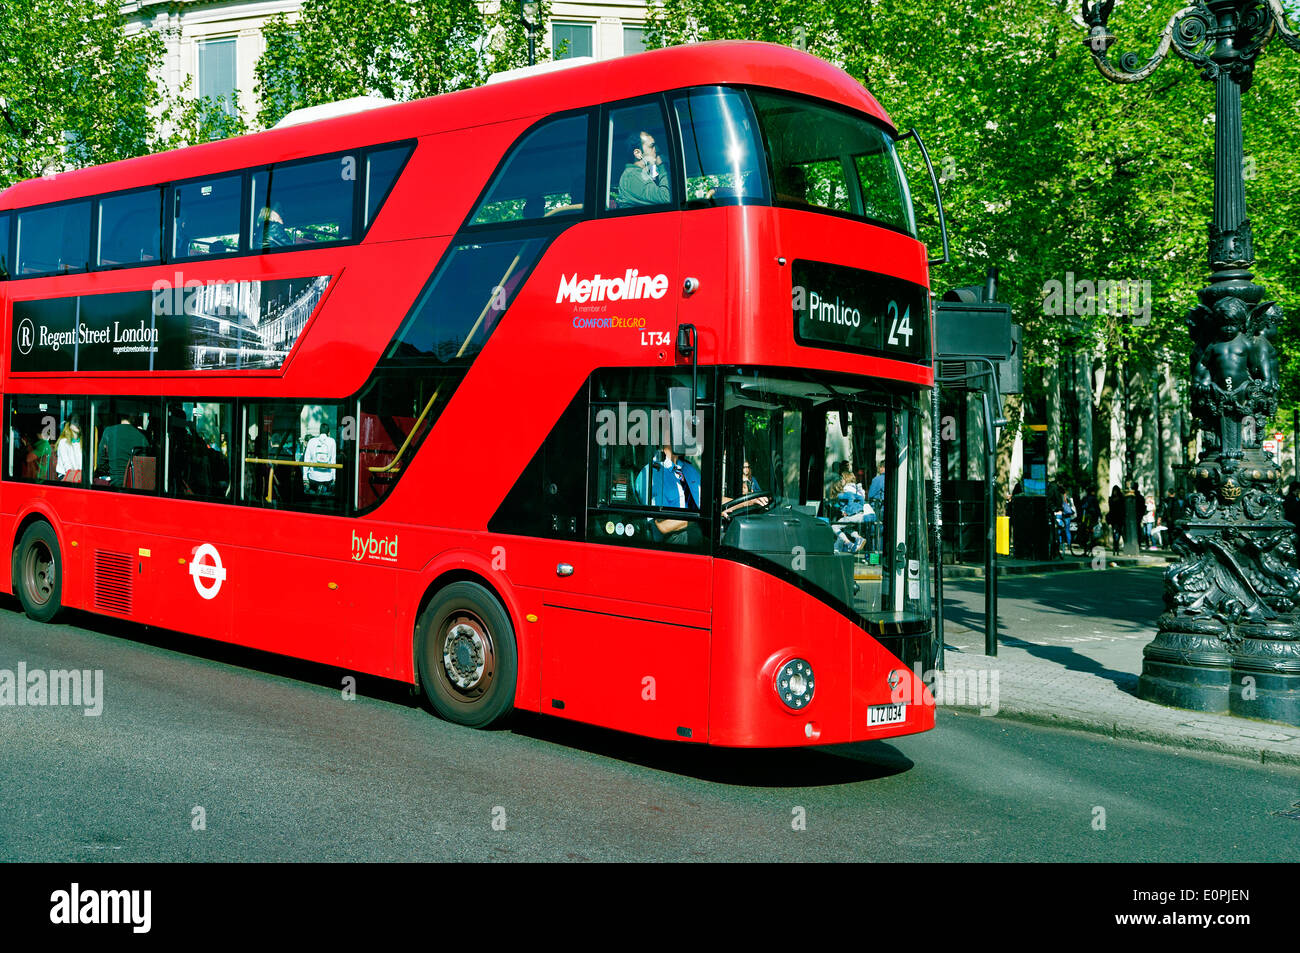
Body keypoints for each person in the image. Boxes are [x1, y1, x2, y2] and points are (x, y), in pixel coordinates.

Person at [635, 442, 701, 543]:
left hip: (697, 528)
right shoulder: (650, 474)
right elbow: (663, 526)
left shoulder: (689, 470)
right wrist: (700, 518)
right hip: (672, 541)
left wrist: (732, 505)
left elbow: (708, 499)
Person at [617, 131, 671, 207]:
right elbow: (666, 197)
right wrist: (662, 166)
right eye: (651, 146)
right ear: (638, 153)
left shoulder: (640, 173)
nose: (656, 150)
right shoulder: (633, 176)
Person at [99, 415, 149, 487]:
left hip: (114, 485)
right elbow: (144, 467)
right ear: (132, 416)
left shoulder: (108, 432)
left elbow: (101, 464)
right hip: (135, 487)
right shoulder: (142, 436)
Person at [303, 423, 337, 496]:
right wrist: (334, 478)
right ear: (329, 433)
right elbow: (333, 461)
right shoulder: (332, 442)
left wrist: (305, 478)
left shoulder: (311, 441)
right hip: (328, 478)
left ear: (319, 432)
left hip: (313, 477)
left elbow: (306, 460)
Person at [54, 418, 83, 483]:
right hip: (67, 476)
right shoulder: (63, 442)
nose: (77, 424)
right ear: (69, 424)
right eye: (75, 421)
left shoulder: (82, 442)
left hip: (79, 476)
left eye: (79, 421)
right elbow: (66, 464)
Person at [1107, 485, 1126, 554]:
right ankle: (1116, 546)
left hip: (1118, 518)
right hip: (1115, 518)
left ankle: (1116, 546)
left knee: (1118, 533)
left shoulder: (1115, 499)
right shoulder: (1118, 499)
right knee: (1115, 533)